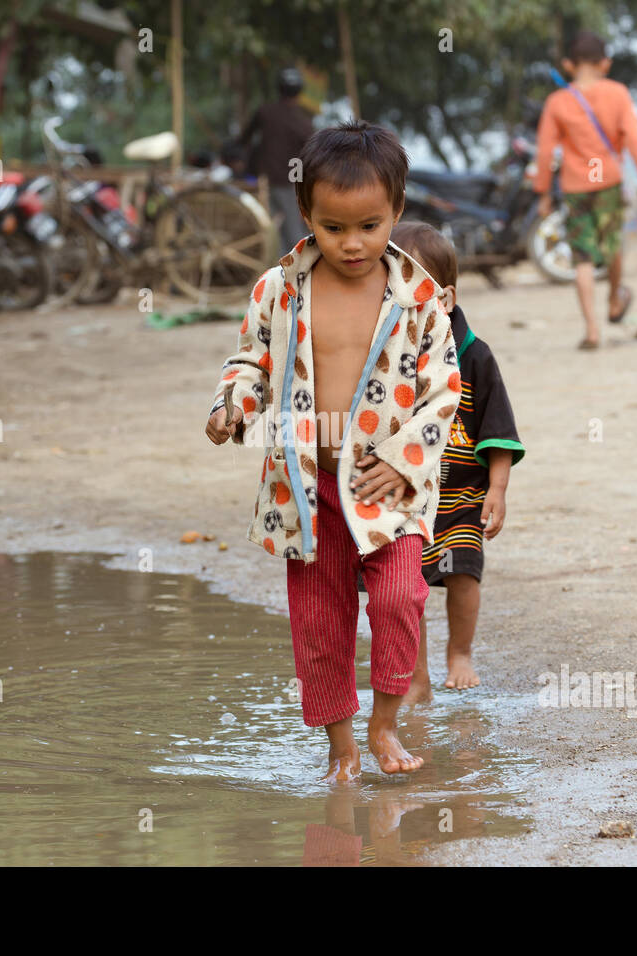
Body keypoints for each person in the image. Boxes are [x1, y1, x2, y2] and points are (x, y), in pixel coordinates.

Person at [204, 121, 461, 781]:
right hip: (306, 481)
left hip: (388, 484)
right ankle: (340, 746)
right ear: (306, 215)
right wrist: (232, 405)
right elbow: (250, 362)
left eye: (371, 226)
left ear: (397, 212)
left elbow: (443, 391)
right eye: (334, 227)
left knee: (402, 596)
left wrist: (403, 461)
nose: (353, 244)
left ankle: (385, 722)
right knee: (321, 622)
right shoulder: (278, 289)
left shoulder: (420, 300)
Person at [386, 222, 523, 701]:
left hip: (463, 496)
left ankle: (460, 652)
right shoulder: (386, 359)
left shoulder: (474, 356)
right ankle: (416, 673)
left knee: (464, 573)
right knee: (408, 590)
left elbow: (498, 429)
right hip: (404, 500)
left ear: (443, 299)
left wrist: (498, 490)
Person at [533, 30, 637, 350]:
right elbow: (633, 138)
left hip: (576, 186)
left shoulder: (557, 102)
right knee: (613, 245)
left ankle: (592, 330)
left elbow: (545, 152)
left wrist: (543, 193)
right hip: (609, 183)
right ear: (605, 63)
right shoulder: (617, 93)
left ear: (568, 65)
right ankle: (615, 301)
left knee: (583, 258)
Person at [239, 67, 316, 250]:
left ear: (279, 88)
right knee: (292, 232)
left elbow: (244, 139)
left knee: (271, 229)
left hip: (263, 181)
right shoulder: (304, 123)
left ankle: (278, 269)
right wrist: (298, 184)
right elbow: (307, 158)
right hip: (289, 182)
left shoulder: (265, 112)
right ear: (299, 92)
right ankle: (294, 270)